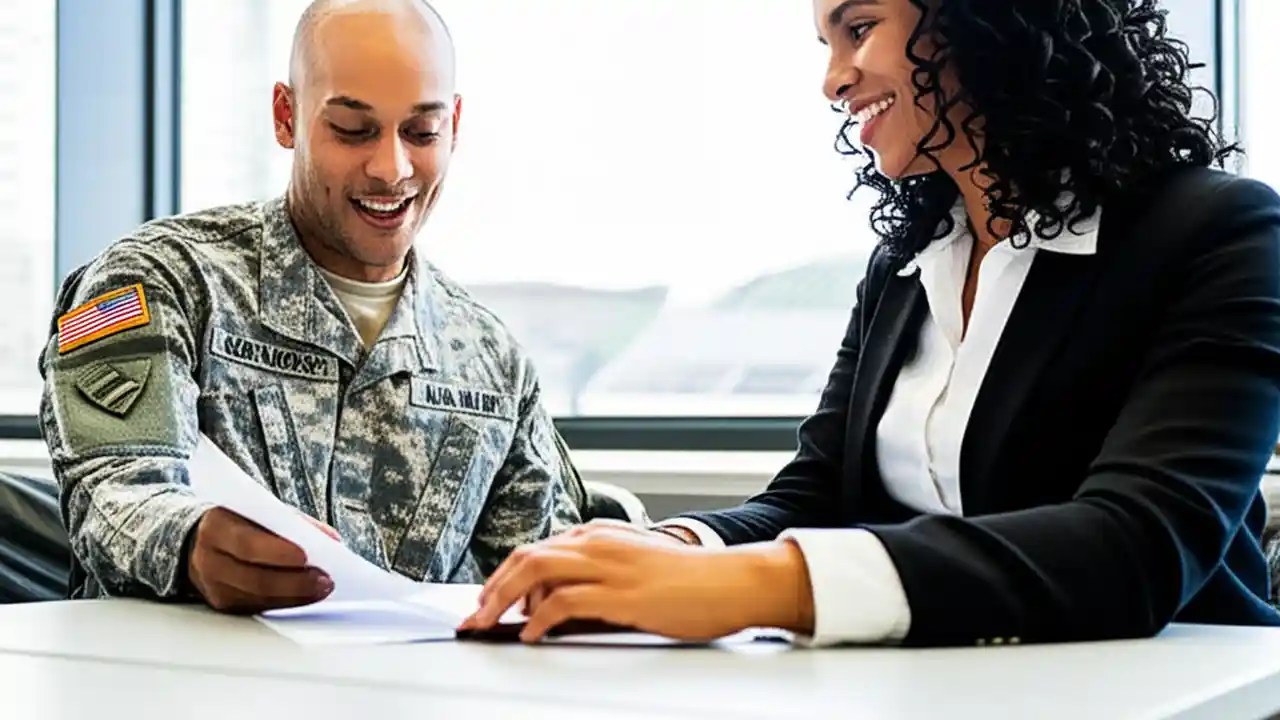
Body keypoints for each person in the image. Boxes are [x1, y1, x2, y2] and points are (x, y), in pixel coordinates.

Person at [462, 0, 1280, 646]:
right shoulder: (906, 265)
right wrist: (680, 547)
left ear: (981, 16)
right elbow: (818, 491)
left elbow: (1137, 545)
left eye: (858, 30)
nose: (833, 79)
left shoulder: (1221, 234)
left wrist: (758, 587)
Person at [37, 0, 584, 613]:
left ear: (453, 124)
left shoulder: (494, 364)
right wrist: (190, 543)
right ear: (286, 115)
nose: (391, 168)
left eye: (422, 132)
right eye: (353, 130)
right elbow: (113, 492)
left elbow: (548, 577)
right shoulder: (157, 280)